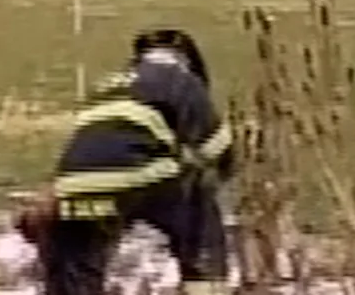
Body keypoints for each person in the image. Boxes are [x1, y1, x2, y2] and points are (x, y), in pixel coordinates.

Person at [16, 28, 235, 295]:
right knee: (199, 203)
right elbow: (218, 149)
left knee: (76, 262)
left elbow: (93, 145)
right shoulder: (182, 80)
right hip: (139, 173)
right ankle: (205, 286)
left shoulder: (107, 85)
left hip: (76, 185)